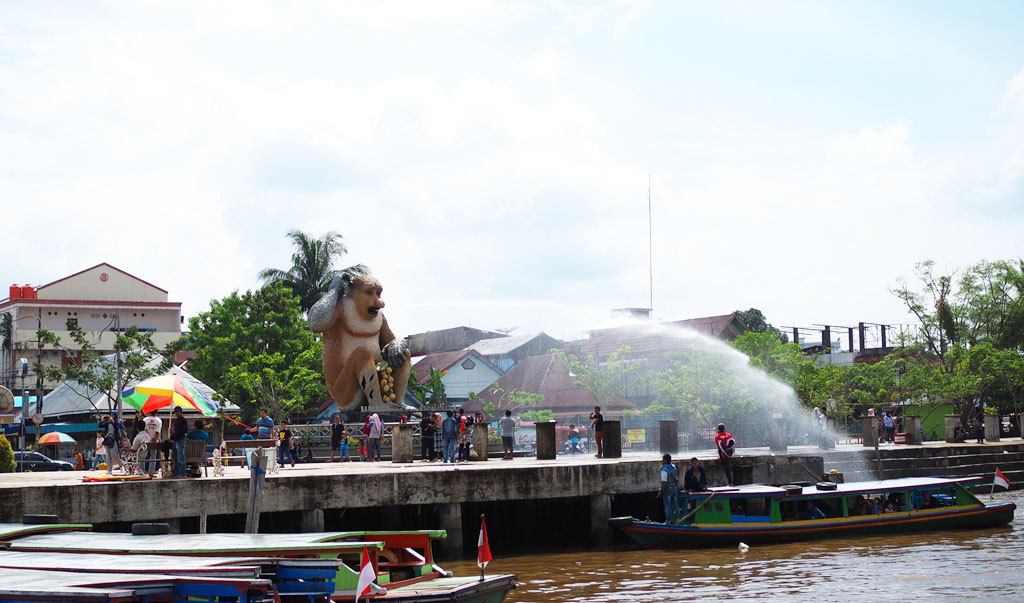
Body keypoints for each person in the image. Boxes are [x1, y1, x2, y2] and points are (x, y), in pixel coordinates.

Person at [658, 454, 681, 523]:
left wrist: (661, 491)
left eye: (663, 459)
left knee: (667, 506)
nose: (662, 461)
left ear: (665, 460)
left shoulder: (664, 470)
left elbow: (664, 482)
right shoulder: (673, 467)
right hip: (674, 488)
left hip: (668, 489)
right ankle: (678, 519)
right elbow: (676, 478)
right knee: (676, 504)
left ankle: (668, 521)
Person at [169, 406, 189, 478]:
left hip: (181, 439)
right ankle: (176, 472)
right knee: (174, 457)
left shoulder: (183, 420)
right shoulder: (177, 421)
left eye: (178, 412)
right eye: (175, 412)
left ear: (181, 412)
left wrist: (175, 433)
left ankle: (183, 473)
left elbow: (185, 430)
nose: (176, 413)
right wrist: (171, 437)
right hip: (176, 440)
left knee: (181, 457)